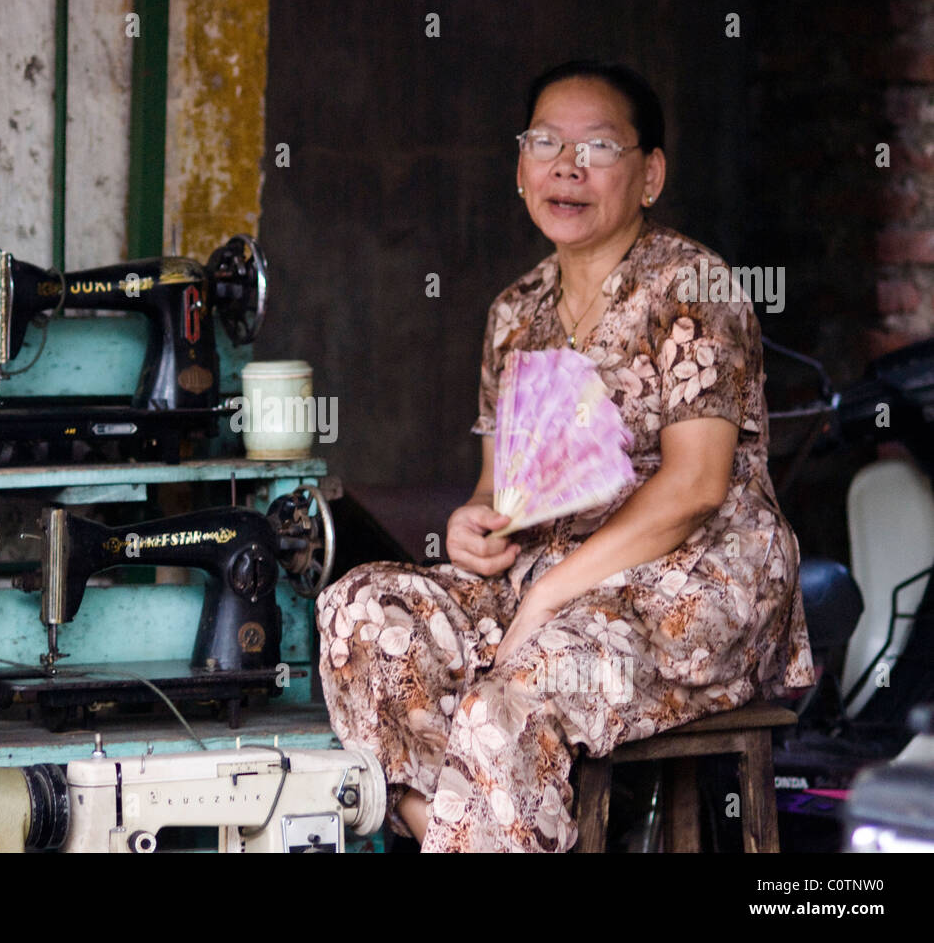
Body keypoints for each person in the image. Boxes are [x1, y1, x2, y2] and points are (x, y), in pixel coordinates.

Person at [314, 60, 815, 852]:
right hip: (549, 579)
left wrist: (550, 595)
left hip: (694, 579)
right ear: (520, 168)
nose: (566, 166)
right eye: (544, 142)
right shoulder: (516, 312)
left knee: (506, 700)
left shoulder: (692, 285)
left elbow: (695, 486)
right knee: (360, 612)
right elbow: (500, 494)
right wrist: (474, 528)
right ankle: (466, 840)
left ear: (649, 175)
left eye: (598, 147)